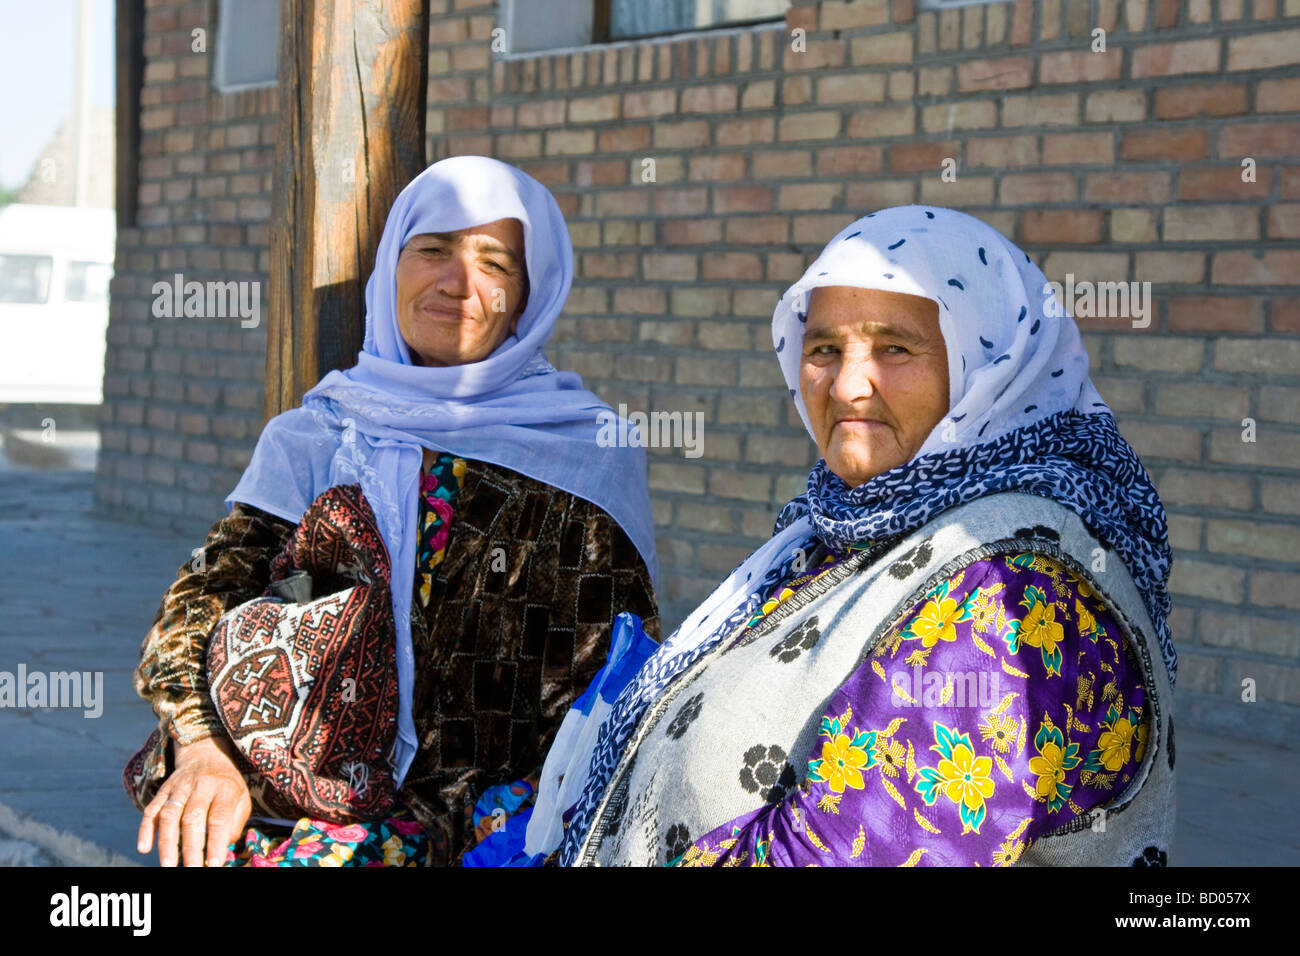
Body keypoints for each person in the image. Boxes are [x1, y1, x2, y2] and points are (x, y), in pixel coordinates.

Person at [557, 205, 1176, 867]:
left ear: (988, 362)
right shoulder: (851, 524)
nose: (849, 386)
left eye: (894, 347)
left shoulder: (1014, 596)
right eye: (825, 349)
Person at [125, 156, 660, 867]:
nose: (457, 283)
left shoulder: (585, 449)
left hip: (498, 820)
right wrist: (204, 750)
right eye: (432, 250)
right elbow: (203, 600)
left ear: (530, 295)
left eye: (494, 263)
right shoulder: (318, 433)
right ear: (392, 267)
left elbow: (617, 672)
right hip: (310, 792)